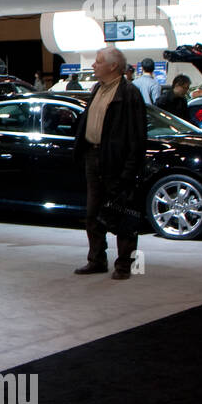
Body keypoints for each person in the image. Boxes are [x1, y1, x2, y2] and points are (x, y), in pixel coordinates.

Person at [73, 46, 147, 280]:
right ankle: (96, 260)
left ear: (113, 66)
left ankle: (124, 265)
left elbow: (137, 135)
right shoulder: (97, 89)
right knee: (93, 213)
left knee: (122, 212)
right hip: (93, 158)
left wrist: (129, 170)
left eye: (98, 62)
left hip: (116, 161)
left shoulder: (129, 93)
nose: (93, 65)